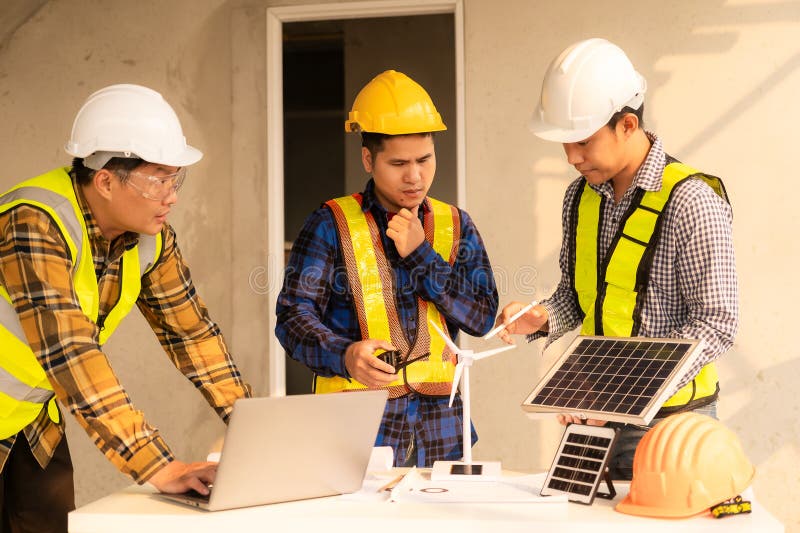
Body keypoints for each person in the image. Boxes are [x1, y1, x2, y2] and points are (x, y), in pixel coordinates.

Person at [0, 84, 252, 531]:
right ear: (105, 180)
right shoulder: (33, 221)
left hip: (28, 419)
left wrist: (255, 433)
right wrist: (160, 467)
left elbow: (192, 334)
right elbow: (71, 353)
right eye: (159, 178)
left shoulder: (152, 240)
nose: (172, 195)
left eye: (176, 178)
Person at [496, 38, 738, 479]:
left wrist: (624, 395)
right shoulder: (579, 198)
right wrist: (543, 317)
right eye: (565, 144)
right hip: (592, 419)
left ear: (627, 124)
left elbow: (716, 324)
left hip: (673, 427)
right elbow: (577, 297)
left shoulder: (691, 201)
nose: (571, 158)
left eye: (583, 142)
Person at [276, 70, 498, 467]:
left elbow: (481, 318)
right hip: (354, 427)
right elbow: (293, 317)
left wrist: (421, 256)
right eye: (398, 163)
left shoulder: (455, 224)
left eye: (424, 159)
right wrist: (344, 355)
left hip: (441, 431)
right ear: (368, 159)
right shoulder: (331, 223)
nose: (414, 176)